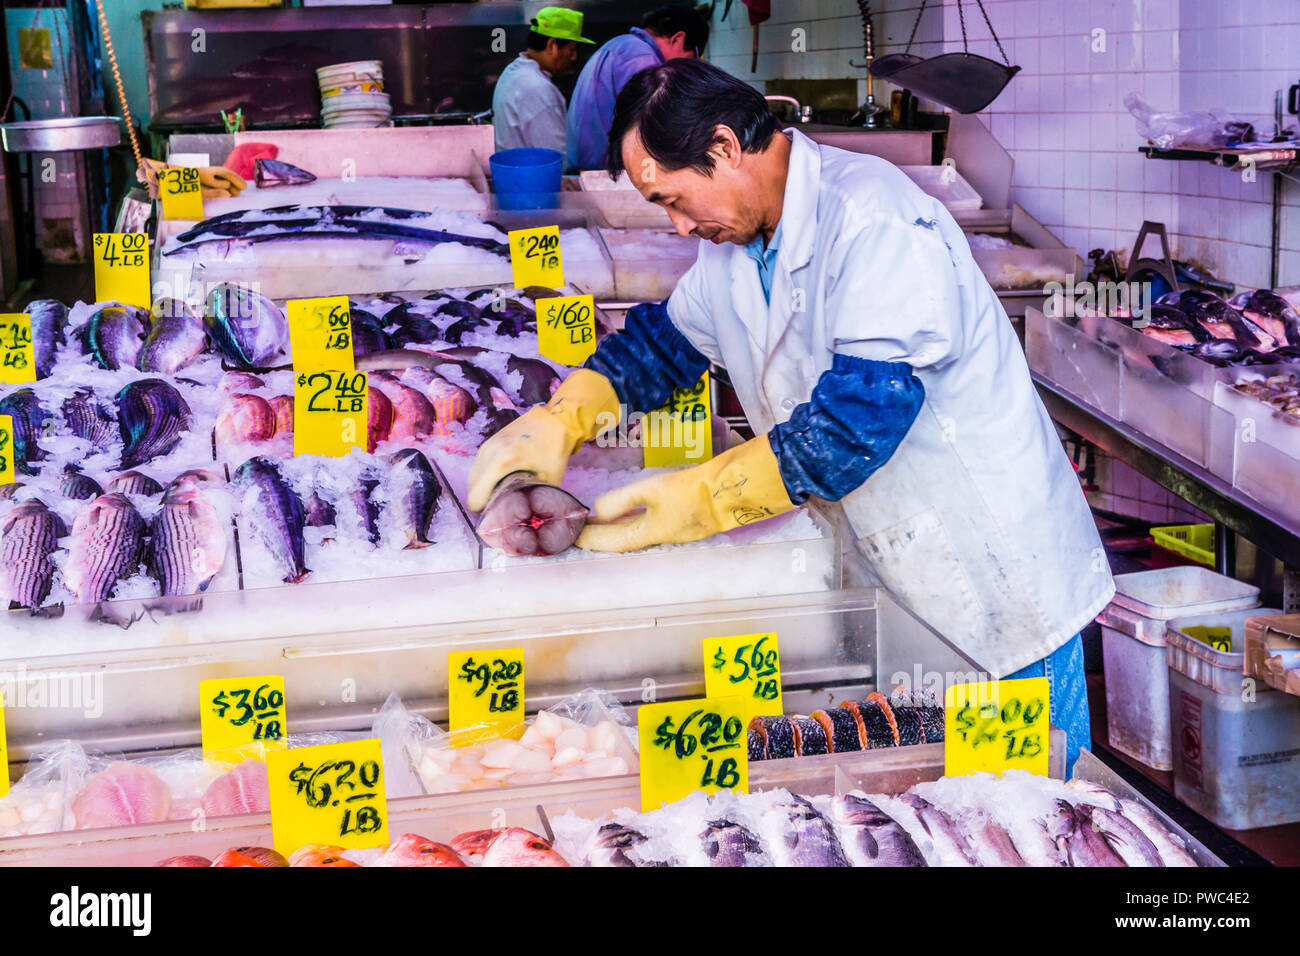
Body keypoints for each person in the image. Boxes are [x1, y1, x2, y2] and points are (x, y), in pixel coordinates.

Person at [470, 60, 1115, 774]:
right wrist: (566, 414)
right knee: (940, 806)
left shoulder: (875, 217)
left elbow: (859, 419)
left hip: (989, 568)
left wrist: (705, 499)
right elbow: (667, 343)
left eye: (675, 200)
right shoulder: (740, 244)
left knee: (1040, 812)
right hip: (891, 571)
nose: (679, 226)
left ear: (723, 146)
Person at [564, 4, 709, 172]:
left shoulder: (619, 45)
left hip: (590, 170)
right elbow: (649, 131)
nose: (686, 68)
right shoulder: (643, 59)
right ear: (677, 39)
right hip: (611, 177)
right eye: (692, 57)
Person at [491, 7, 592, 155]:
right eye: (572, 50)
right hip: (532, 177)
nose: (574, 57)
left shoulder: (512, 71)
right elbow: (557, 157)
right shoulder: (538, 89)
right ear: (552, 45)